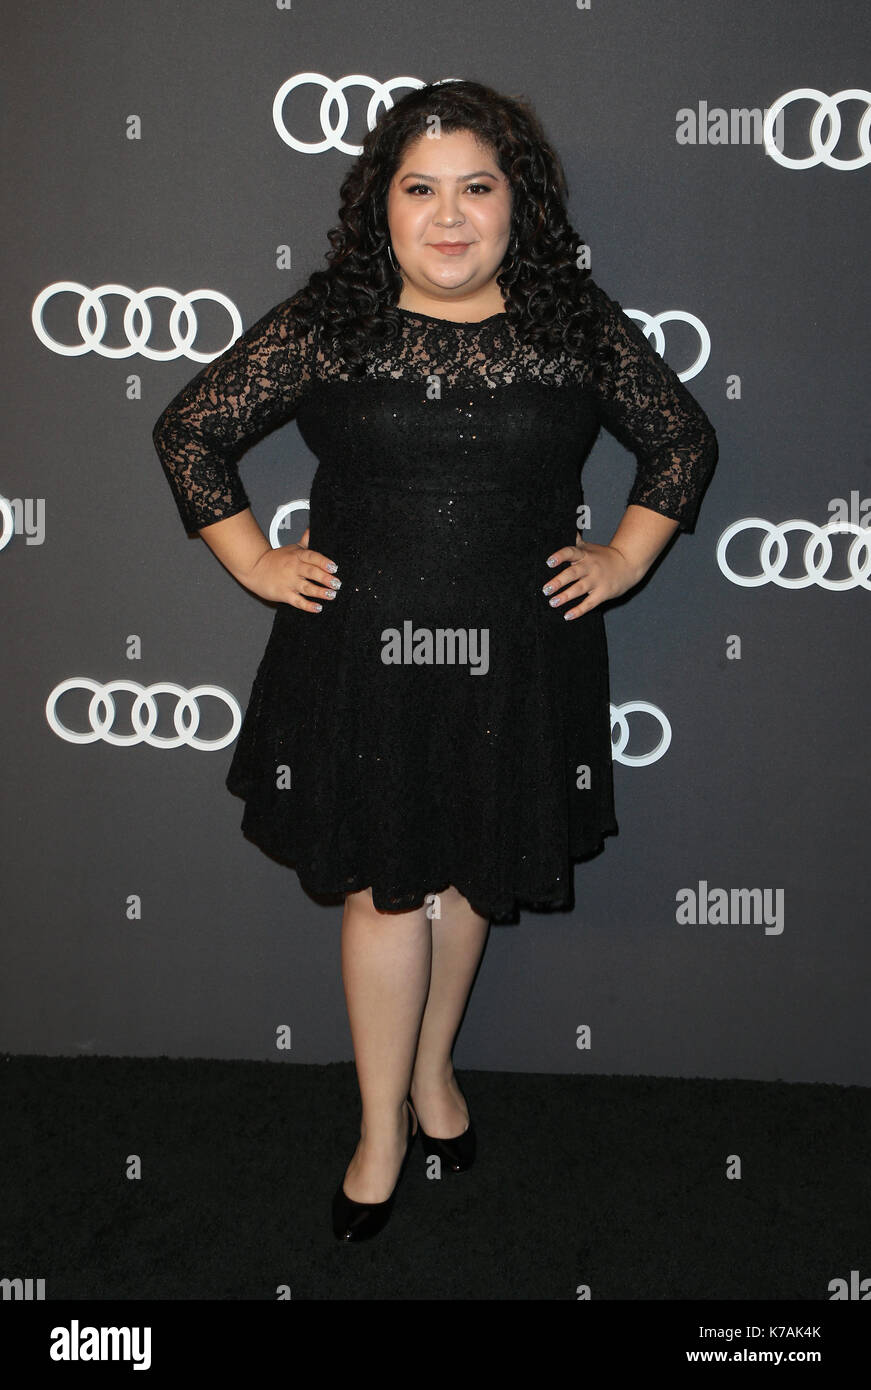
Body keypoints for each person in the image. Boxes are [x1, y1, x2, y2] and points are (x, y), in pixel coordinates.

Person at [152, 79, 718, 1242]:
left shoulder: (570, 323)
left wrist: (622, 557)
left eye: (476, 187)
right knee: (383, 885)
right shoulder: (332, 320)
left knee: (466, 877)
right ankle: (378, 1125)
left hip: (516, 659)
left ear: (521, 204)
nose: (448, 216)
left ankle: (432, 1077)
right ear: (382, 207)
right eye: (421, 189)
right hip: (363, 658)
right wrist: (256, 561)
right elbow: (191, 430)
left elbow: (679, 439)